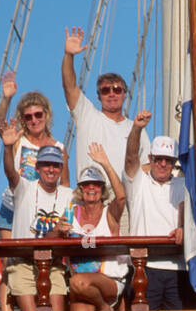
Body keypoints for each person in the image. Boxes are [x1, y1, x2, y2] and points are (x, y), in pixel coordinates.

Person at [61, 27, 147, 202]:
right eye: (106, 90)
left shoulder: (136, 128)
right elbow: (69, 87)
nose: (112, 94)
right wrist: (69, 56)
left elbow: (146, 165)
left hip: (124, 198)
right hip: (90, 193)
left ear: (125, 94)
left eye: (117, 89)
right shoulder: (87, 115)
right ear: (99, 96)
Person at [123, 111, 192, 310]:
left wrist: (182, 226)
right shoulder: (138, 183)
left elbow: (187, 210)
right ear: (150, 158)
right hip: (143, 267)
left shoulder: (183, 184)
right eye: (159, 159)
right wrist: (136, 129)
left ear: (174, 162)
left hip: (178, 268)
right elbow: (130, 158)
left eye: (168, 160)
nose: (163, 164)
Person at [0, 75, 67, 239]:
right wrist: (6, 98)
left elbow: (66, 186)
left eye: (38, 115)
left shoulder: (59, 148)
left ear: (46, 115)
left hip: (45, 212)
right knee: (11, 260)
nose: (34, 120)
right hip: (12, 206)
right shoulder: (18, 141)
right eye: (28, 117)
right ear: (23, 120)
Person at [4, 141, 74, 311]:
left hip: (54, 264)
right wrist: (7, 147)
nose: (51, 169)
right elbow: (10, 173)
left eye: (56, 165)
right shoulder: (25, 188)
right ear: (37, 167)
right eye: (46, 164)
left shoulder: (69, 195)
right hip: (23, 262)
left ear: (61, 168)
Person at [68, 144, 128, 311]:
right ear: (81, 190)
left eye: (97, 184)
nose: (92, 188)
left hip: (109, 280)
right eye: (87, 185)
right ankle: (103, 308)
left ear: (102, 190)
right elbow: (51, 237)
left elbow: (122, 197)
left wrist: (106, 164)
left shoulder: (109, 213)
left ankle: (104, 307)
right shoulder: (71, 213)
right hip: (83, 288)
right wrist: (58, 229)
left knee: (77, 283)